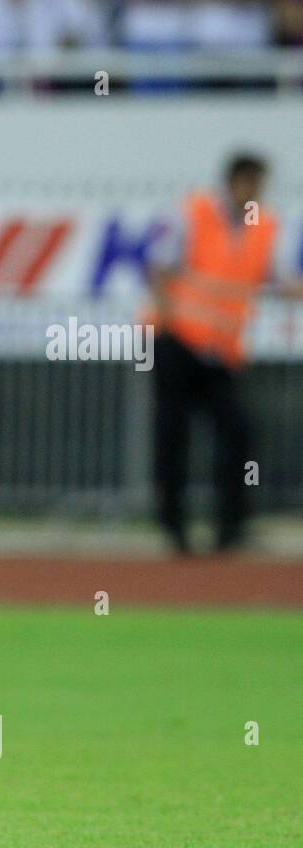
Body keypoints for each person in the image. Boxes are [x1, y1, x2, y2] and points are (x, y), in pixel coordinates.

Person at [147, 152, 301, 553]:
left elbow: (274, 277)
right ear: (234, 182)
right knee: (172, 437)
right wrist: (165, 323)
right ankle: (174, 528)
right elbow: (161, 266)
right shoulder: (194, 211)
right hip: (179, 341)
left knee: (237, 432)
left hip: (223, 351)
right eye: (252, 184)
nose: (257, 193)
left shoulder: (263, 225)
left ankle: (230, 529)